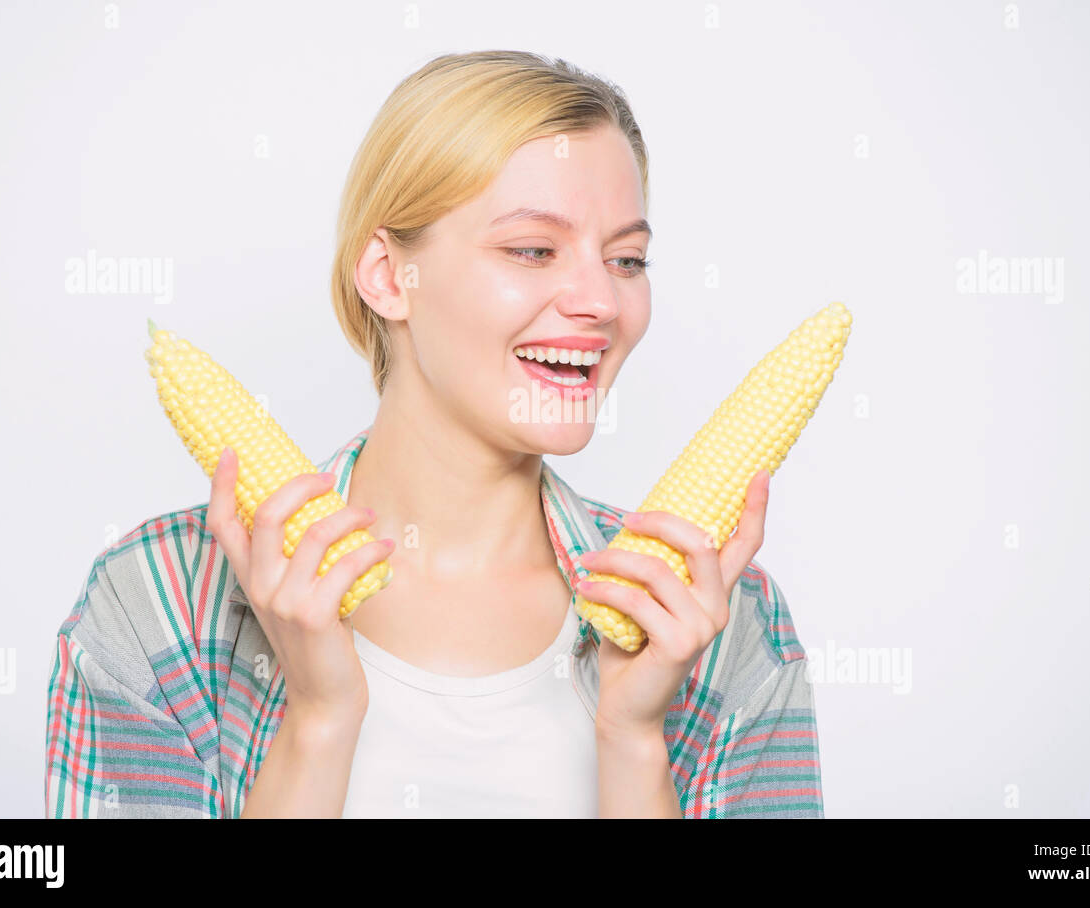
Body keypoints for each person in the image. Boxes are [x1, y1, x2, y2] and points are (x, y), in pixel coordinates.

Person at [44, 49, 824, 819]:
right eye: (532, 250)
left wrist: (633, 742)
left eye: (627, 260)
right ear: (388, 276)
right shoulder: (154, 602)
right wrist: (319, 721)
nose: (601, 301)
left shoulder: (723, 619)